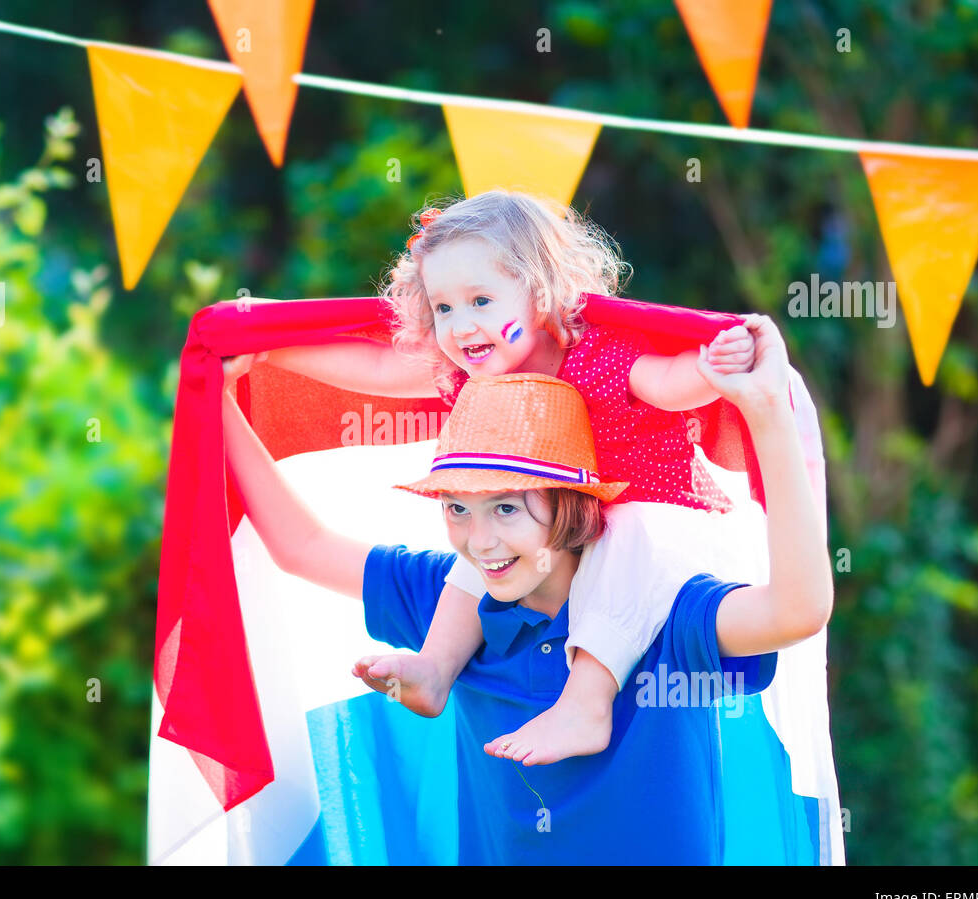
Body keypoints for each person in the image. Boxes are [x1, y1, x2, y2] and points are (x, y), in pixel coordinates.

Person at [220, 314, 833, 864]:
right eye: (457, 508)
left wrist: (765, 411)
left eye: (507, 508)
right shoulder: (457, 604)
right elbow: (302, 548)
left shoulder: (659, 607)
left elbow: (798, 609)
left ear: (569, 504)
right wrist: (214, 396)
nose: (479, 540)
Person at [245, 188, 768, 765]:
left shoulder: (592, 355)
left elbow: (669, 383)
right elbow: (377, 367)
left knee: (625, 533)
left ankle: (586, 701)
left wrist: (714, 365)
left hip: (655, 521)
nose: (460, 326)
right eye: (443, 308)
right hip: (558, 531)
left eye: (481, 301)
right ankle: (436, 667)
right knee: (485, 534)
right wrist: (267, 343)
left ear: (541, 292)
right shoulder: (473, 375)